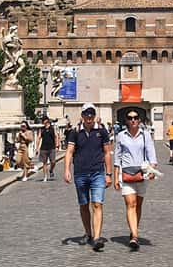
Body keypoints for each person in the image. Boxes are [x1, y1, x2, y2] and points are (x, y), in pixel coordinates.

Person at [64, 103, 112, 251]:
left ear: (94, 116)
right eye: (86, 114)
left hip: (97, 172)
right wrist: (67, 169)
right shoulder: (75, 132)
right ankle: (88, 232)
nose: (89, 117)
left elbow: (107, 153)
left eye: (91, 115)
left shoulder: (102, 132)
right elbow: (70, 151)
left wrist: (109, 174)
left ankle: (97, 237)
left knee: (97, 204)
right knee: (84, 205)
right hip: (80, 172)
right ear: (82, 116)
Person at [113, 110, 157, 251]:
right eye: (130, 118)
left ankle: (133, 231)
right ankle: (135, 236)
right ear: (126, 120)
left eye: (136, 118)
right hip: (125, 173)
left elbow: (152, 156)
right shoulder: (120, 136)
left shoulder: (146, 136)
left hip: (142, 174)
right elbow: (117, 158)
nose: (133, 120)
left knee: (138, 205)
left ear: (139, 120)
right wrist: (115, 177)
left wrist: (152, 170)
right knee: (130, 204)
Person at [38, 116, 58, 181]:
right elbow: (39, 138)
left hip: (51, 147)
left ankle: (51, 170)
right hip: (43, 148)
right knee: (44, 163)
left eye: (44, 120)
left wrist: (57, 145)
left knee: (53, 161)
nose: (43, 122)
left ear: (47, 121)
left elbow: (56, 136)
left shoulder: (52, 128)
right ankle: (45, 177)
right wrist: (37, 148)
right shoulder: (42, 129)